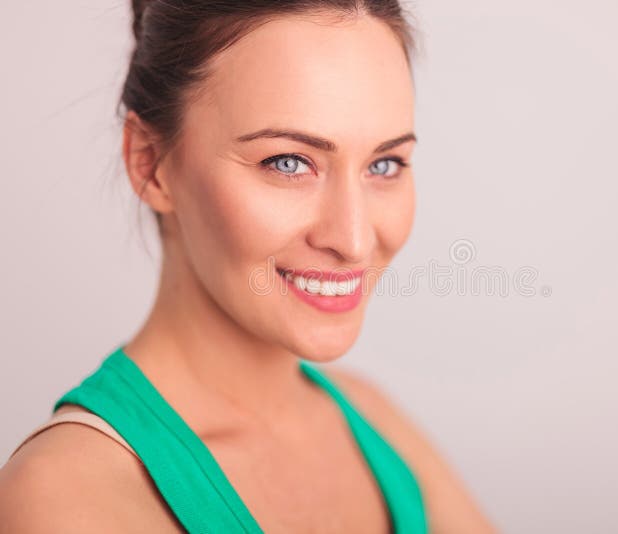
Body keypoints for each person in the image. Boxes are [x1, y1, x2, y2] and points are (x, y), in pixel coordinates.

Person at [0, 1, 496, 532]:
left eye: (384, 164)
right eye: (288, 163)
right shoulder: (63, 498)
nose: (352, 240)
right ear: (150, 163)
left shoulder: (376, 421)